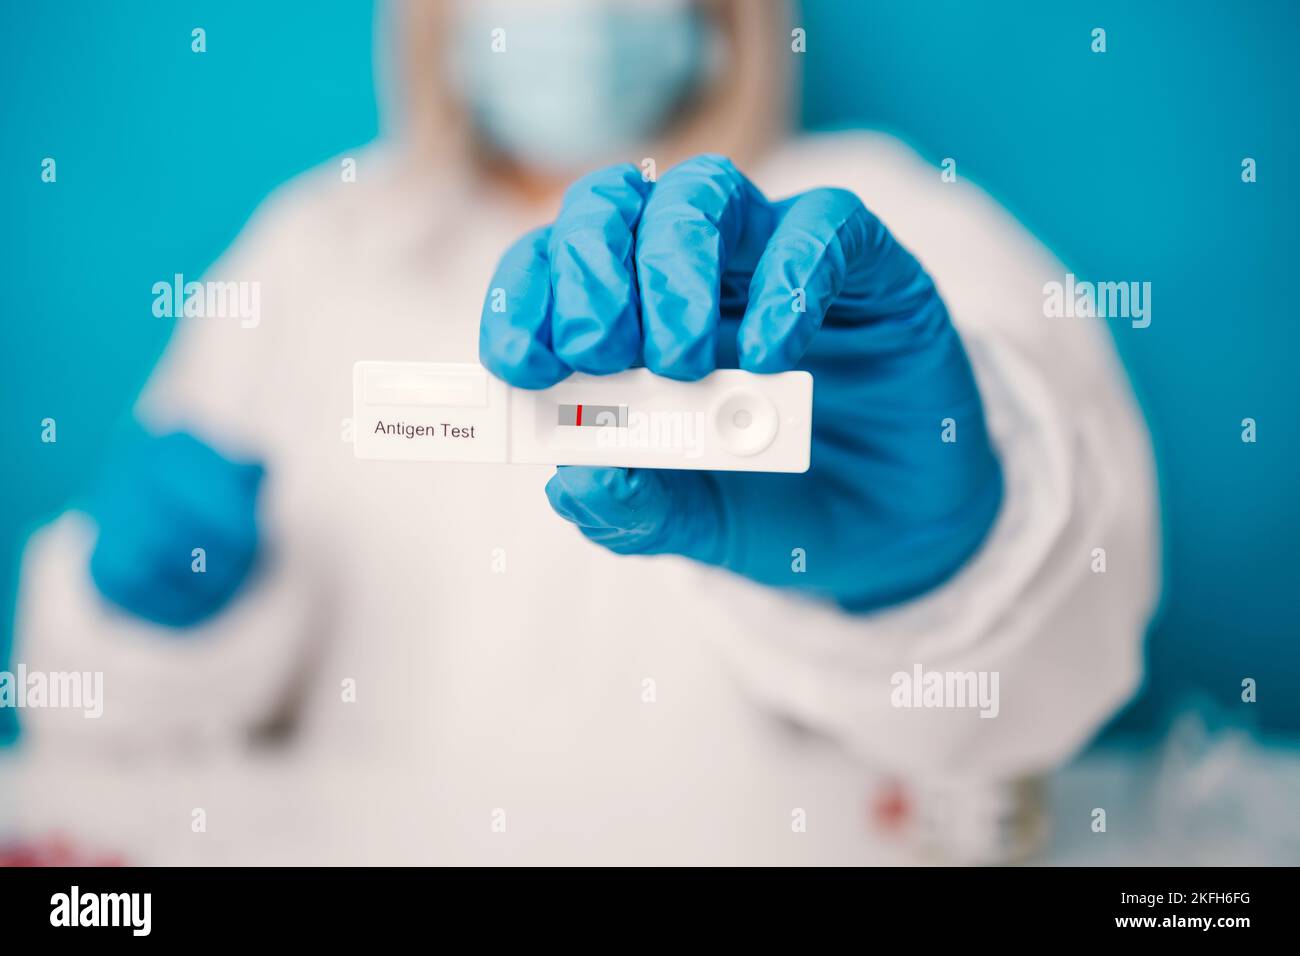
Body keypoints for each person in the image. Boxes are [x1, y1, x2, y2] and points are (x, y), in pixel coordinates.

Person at [7, 0, 1158, 864]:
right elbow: (96, 759)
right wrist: (146, 625)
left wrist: (946, 558)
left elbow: (1077, 646)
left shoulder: (868, 223)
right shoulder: (318, 251)